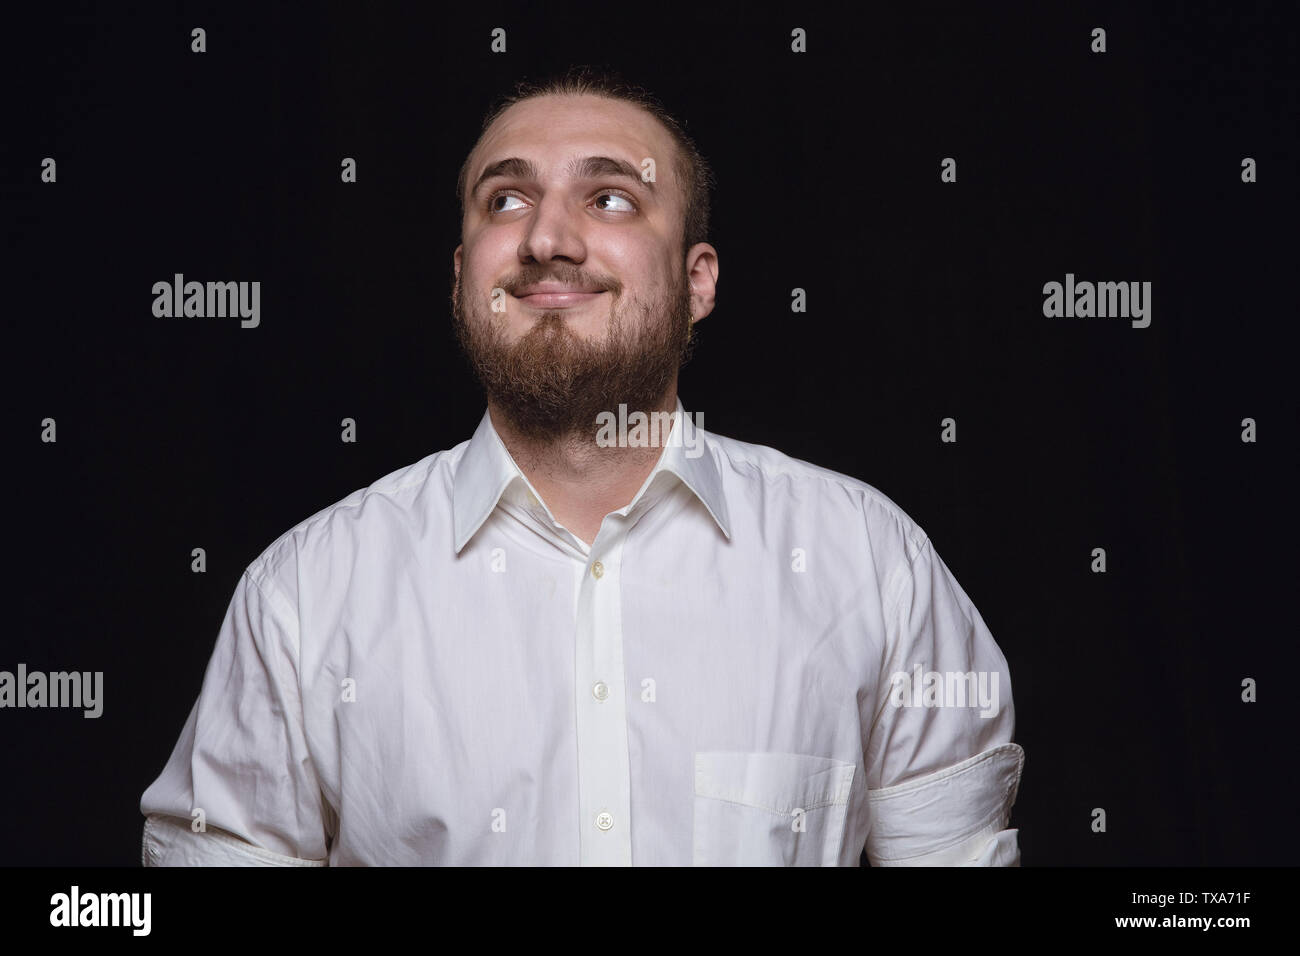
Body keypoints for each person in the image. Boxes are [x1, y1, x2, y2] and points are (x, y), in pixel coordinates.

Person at [140, 66, 1025, 866]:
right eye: (505, 202)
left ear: (698, 280)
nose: (548, 239)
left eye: (610, 200)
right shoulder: (305, 597)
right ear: (460, 278)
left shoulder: (869, 565)